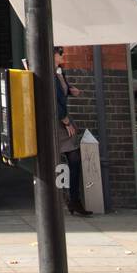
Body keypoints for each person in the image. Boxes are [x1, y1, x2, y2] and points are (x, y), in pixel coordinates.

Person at [54, 47, 92, 217]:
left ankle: (72, 199)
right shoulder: (48, 71)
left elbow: (61, 92)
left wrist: (70, 89)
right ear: (53, 55)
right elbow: (52, 99)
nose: (63, 55)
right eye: (60, 53)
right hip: (57, 121)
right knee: (71, 158)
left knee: (73, 158)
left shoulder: (59, 71)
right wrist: (66, 121)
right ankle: (70, 200)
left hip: (62, 119)